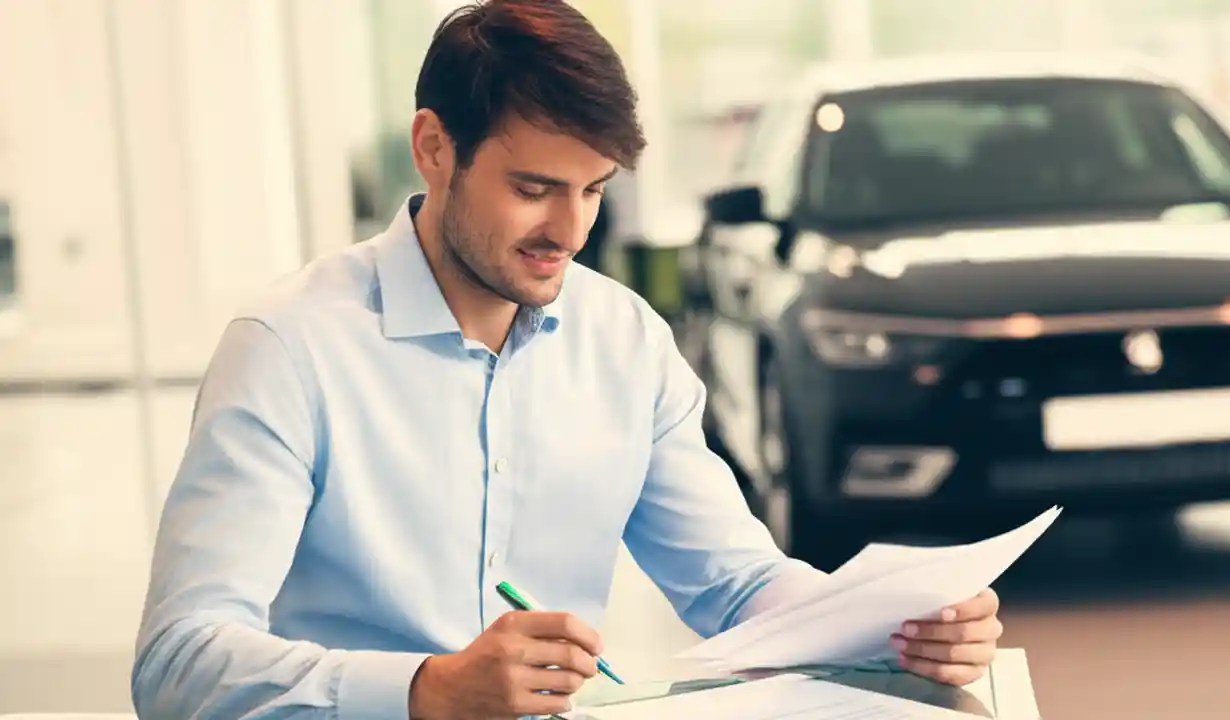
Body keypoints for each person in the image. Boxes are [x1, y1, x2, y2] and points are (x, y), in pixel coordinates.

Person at [131, 2, 1003, 718]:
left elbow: (735, 584)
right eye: (533, 189)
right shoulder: (291, 349)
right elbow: (179, 663)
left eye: (592, 191)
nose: (570, 232)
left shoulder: (623, 341)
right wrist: (425, 690)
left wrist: (889, 625)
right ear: (435, 149)